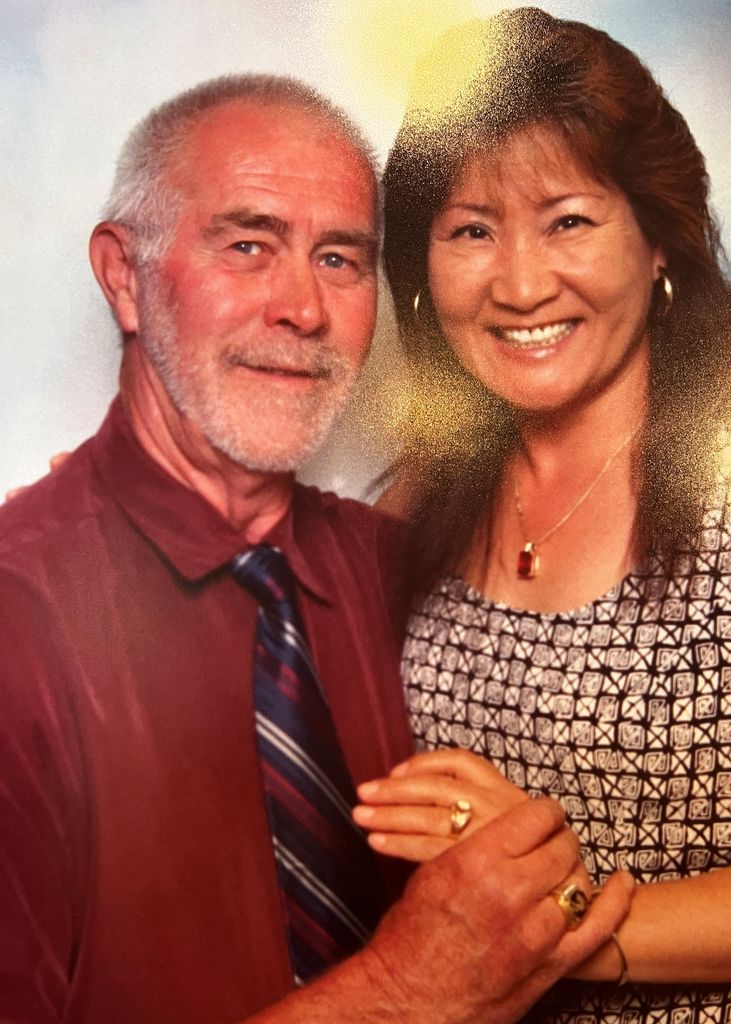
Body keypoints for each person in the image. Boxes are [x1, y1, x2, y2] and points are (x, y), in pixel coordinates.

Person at [0, 74, 633, 1024]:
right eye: (248, 245)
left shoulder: (409, 569)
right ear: (124, 275)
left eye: (339, 258)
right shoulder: (21, 618)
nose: (303, 308)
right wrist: (402, 993)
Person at [354, 9, 731, 1023]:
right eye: (471, 230)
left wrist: (562, 920)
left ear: (657, 241)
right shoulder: (418, 502)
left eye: (568, 220)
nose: (522, 284)